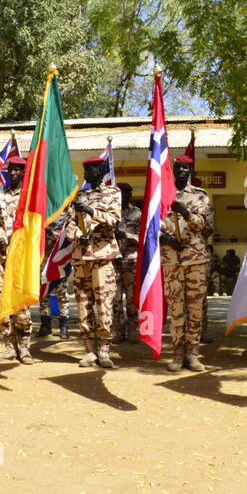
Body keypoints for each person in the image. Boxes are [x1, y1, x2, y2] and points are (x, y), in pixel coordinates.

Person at [160, 156, 214, 372]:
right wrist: (166, 239)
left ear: (191, 169)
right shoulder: (162, 194)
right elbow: (151, 225)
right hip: (171, 259)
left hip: (195, 259)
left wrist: (184, 211)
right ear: (173, 169)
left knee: (195, 310)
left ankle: (192, 354)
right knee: (176, 309)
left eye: (186, 167)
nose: (182, 170)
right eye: (179, 166)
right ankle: (177, 354)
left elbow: (201, 224)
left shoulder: (200, 196)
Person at [69, 156, 123, 368]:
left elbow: (113, 220)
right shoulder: (79, 195)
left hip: (102, 256)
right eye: (85, 169)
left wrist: (90, 211)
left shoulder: (113, 193)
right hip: (81, 257)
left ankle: (104, 350)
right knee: (83, 305)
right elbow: (70, 225)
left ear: (100, 170)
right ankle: (90, 351)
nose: (86, 173)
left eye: (90, 169)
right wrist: (76, 236)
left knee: (104, 304)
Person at [0, 155, 35, 364]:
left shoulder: (29, 199)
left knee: (21, 303)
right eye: (11, 169)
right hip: (0, 256)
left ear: (24, 172)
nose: (13, 172)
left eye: (18, 169)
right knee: (1, 302)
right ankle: (8, 346)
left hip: (20, 258)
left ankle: (24, 348)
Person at [37, 210, 73, 339]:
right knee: (43, 292)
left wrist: (50, 232)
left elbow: (66, 237)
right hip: (43, 258)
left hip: (58, 260)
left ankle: (64, 325)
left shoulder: (66, 215)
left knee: (61, 293)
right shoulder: (44, 212)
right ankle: (45, 324)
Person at [115, 183, 141, 343]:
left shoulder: (137, 214)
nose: (122, 196)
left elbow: (144, 238)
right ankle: (119, 331)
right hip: (113, 261)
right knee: (115, 300)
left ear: (130, 195)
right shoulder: (111, 213)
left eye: (125, 193)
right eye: (119, 193)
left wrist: (125, 235)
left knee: (131, 300)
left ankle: (133, 330)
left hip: (131, 261)